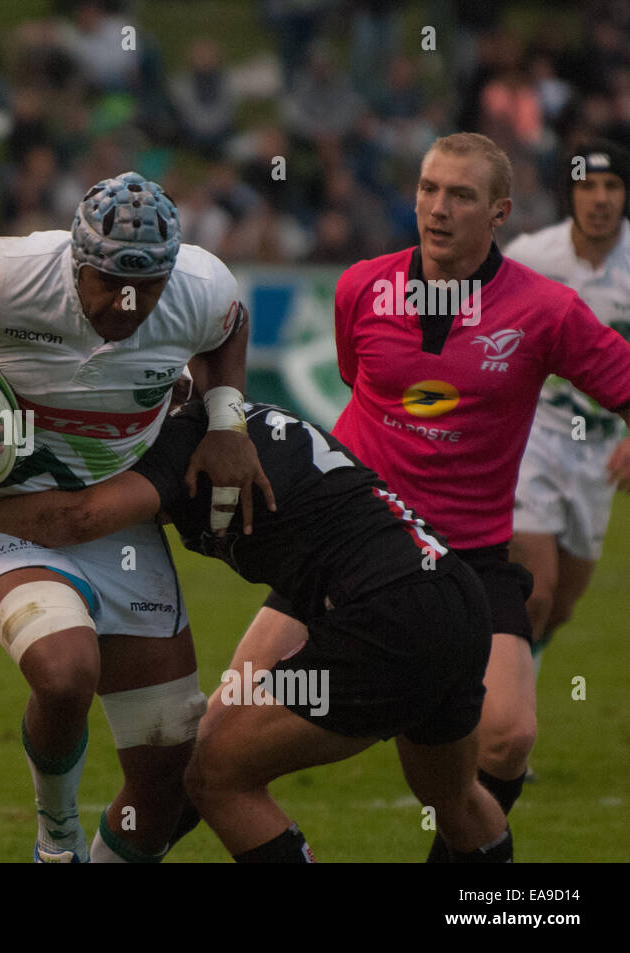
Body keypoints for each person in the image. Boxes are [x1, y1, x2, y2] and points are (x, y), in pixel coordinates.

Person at [0, 171, 271, 862]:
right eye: (113, 280)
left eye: (149, 286)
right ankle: (56, 838)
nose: (131, 301)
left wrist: (227, 422)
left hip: (115, 518)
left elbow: (228, 330)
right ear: (76, 261)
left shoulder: (201, 287)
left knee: (167, 769)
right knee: (64, 671)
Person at [0, 399, 513, 862]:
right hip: (449, 591)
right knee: (454, 799)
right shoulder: (230, 418)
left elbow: (80, 517)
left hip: (386, 616)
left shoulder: (181, 437)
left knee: (216, 774)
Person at [265, 133, 630, 860]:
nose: (438, 208)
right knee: (218, 730)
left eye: (460, 195)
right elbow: (355, 377)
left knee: (509, 734)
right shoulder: (361, 286)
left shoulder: (543, 309)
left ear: (499, 212)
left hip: (467, 553)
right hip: (352, 535)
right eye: (429, 188)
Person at [505, 140, 630, 672]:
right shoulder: (531, 257)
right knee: (534, 590)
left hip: (599, 450)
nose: (600, 199)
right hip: (534, 436)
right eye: (587, 186)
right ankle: (499, 741)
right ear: (569, 195)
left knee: (559, 608)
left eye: (612, 186)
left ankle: (507, 714)